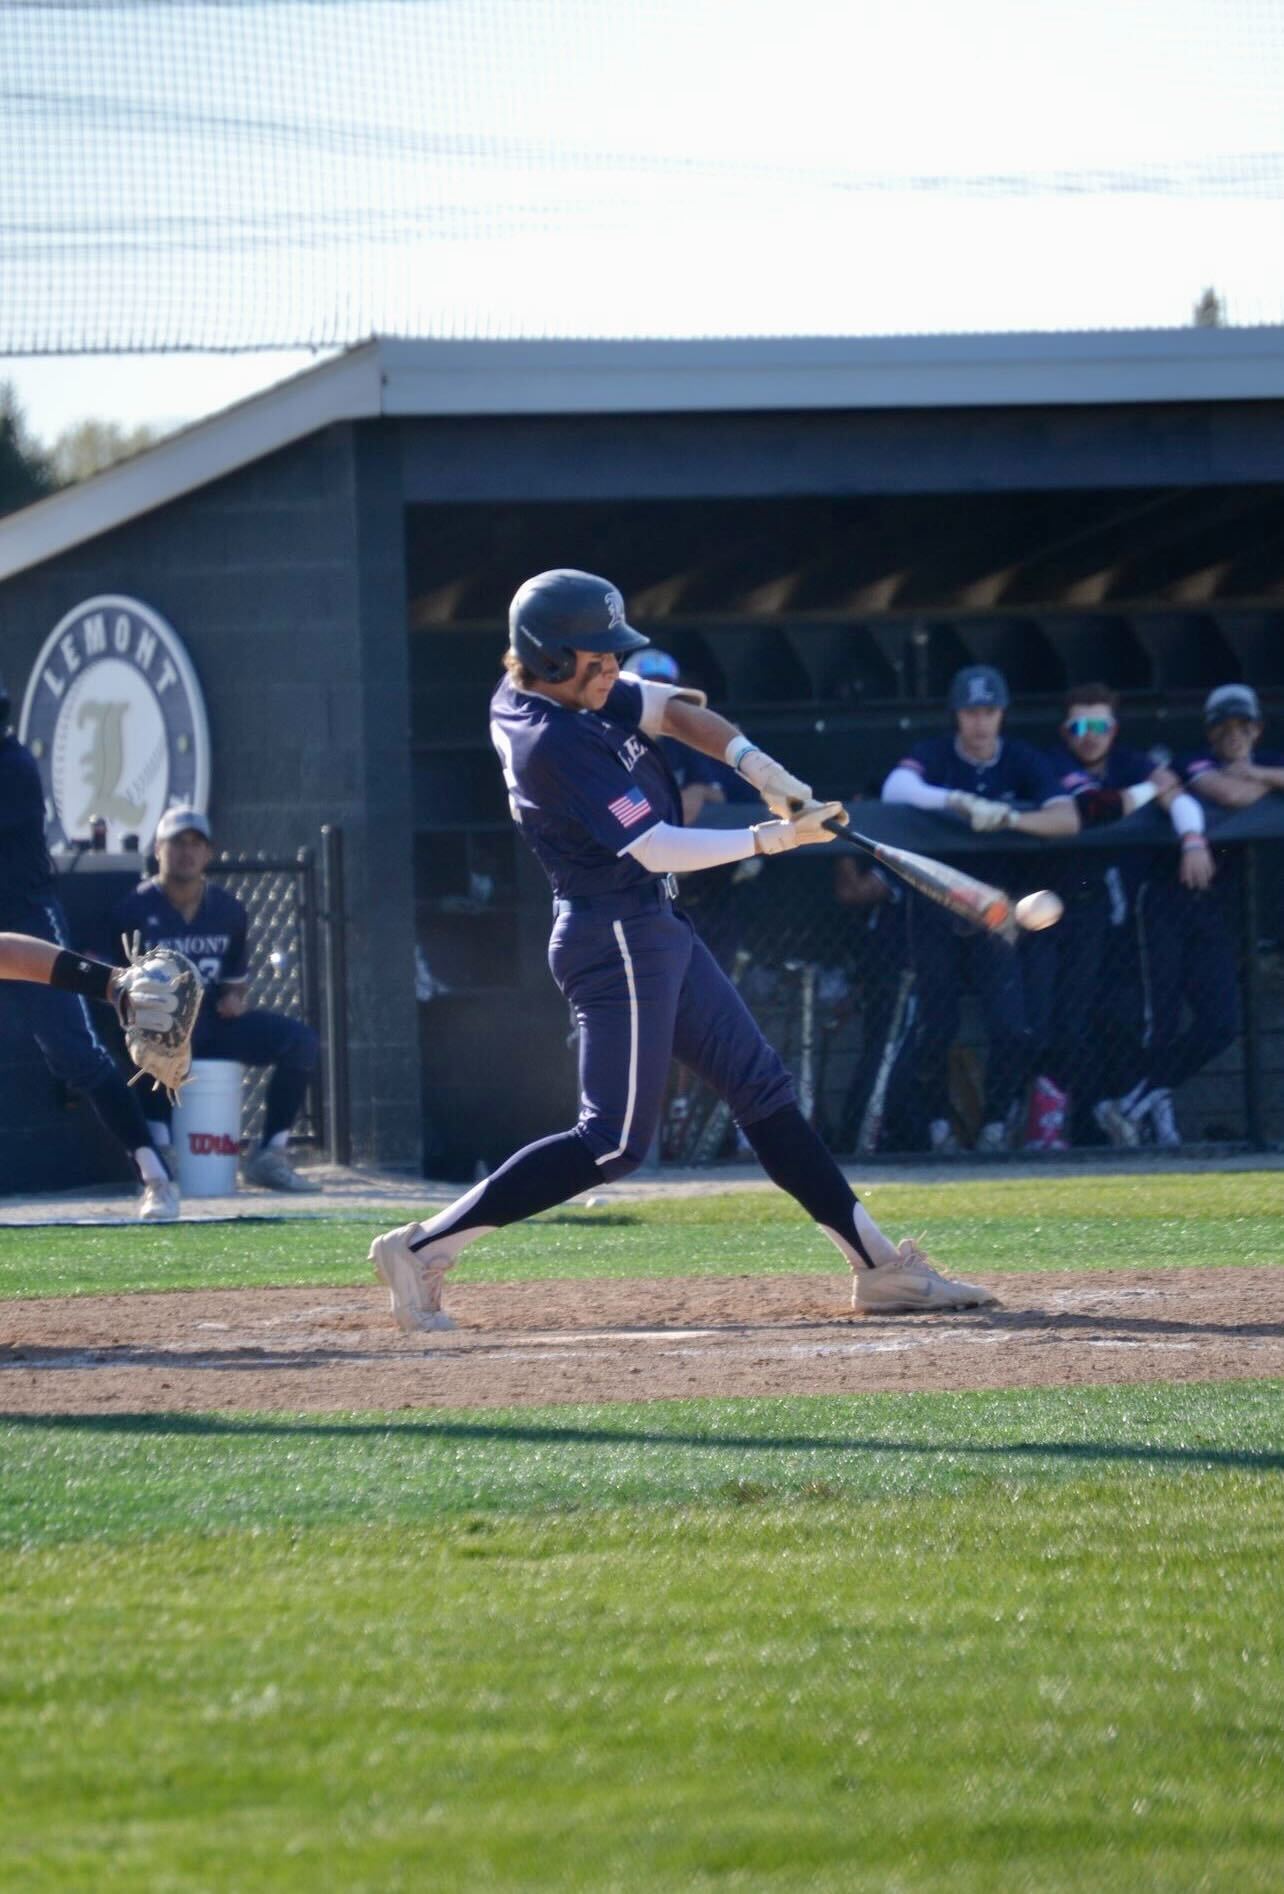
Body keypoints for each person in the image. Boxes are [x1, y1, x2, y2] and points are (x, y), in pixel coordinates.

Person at [369, 568, 997, 1329]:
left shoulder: (565, 691)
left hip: (652, 929)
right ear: (551, 659)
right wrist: (775, 835)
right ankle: (424, 1247)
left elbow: (672, 708)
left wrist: (763, 771)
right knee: (612, 1142)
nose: (613, 671)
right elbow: (655, 848)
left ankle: (879, 1268)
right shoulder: (550, 739)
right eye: (597, 659)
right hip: (617, 935)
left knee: (762, 1092)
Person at [0, 683, 179, 1220]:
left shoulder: (14, 766)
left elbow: (7, 948)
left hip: (24, 912)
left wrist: (108, 983)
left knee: (73, 1052)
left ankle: (155, 1175)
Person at [880, 664, 1077, 1152]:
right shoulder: (934, 755)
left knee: (1012, 1024)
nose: (980, 723)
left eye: (988, 711)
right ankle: (935, 1123)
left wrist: (1012, 817)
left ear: (1002, 714)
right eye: (971, 712)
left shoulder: (1023, 759)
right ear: (957, 715)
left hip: (999, 910)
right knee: (936, 1023)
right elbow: (895, 790)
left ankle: (995, 1119)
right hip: (935, 905)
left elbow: (1067, 818)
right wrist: (959, 802)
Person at [1026, 684, 1211, 1150]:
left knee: (1124, 1018)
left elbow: (1182, 801)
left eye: (1100, 726)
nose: (1090, 736)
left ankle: (1126, 1118)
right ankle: (1041, 1126)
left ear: (1115, 729)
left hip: (1117, 916)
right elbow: (1095, 808)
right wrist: (1154, 787)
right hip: (1056, 908)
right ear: (1065, 731)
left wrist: (1192, 839)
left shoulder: (1129, 762)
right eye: (1080, 726)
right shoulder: (1053, 763)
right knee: (1056, 1020)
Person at [1095, 683, 1280, 1148]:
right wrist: (1261, 779)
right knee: (1160, 1021)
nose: (1235, 736)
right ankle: (1153, 1122)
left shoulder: (1262, 760)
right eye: (1225, 727)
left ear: (1258, 729)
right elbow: (1228, 794)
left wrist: (1255, 771)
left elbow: (1245, 784)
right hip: (1164, 903)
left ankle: (1130, 1107)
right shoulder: (1190, 761)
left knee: (1220, 1023)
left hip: (1214, 911)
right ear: (1210, 732)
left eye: (1245, 726)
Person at [110, 806, 320, 1191]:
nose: (187, 852)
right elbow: (112, 980)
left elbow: (233, 981)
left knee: (300, 1041)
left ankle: (270, 1153)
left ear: (209, 853)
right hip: (157, 1025)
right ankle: (160, 1152)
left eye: (196, 844)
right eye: (177, 843)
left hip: (211, 1021)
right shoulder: (133, 909)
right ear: (158, 849)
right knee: (154, 1030)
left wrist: (235, 999)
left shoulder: (227, 909)